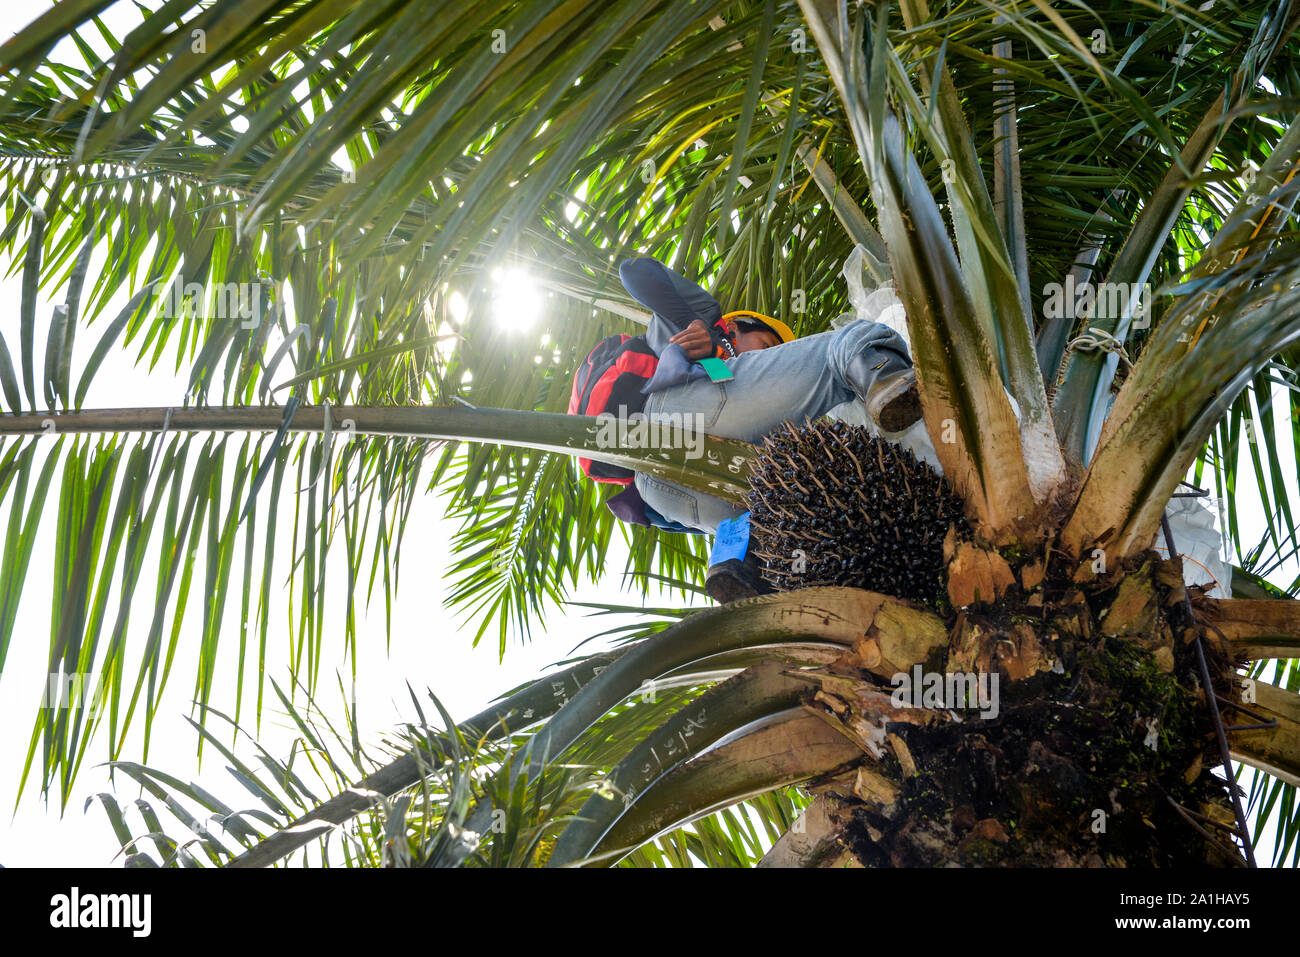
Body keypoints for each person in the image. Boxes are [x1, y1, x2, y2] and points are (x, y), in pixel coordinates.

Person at [607, 256, 924, 601]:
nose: (776, 361)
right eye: (770, 347)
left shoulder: (756, 416)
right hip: (669, 420)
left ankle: (741, 564)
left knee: (794, 497)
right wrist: (696, 326)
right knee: (847, 343)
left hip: (666, 492)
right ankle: (883, 374)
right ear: (739, 325)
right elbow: (634, 271)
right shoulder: (708, 318)